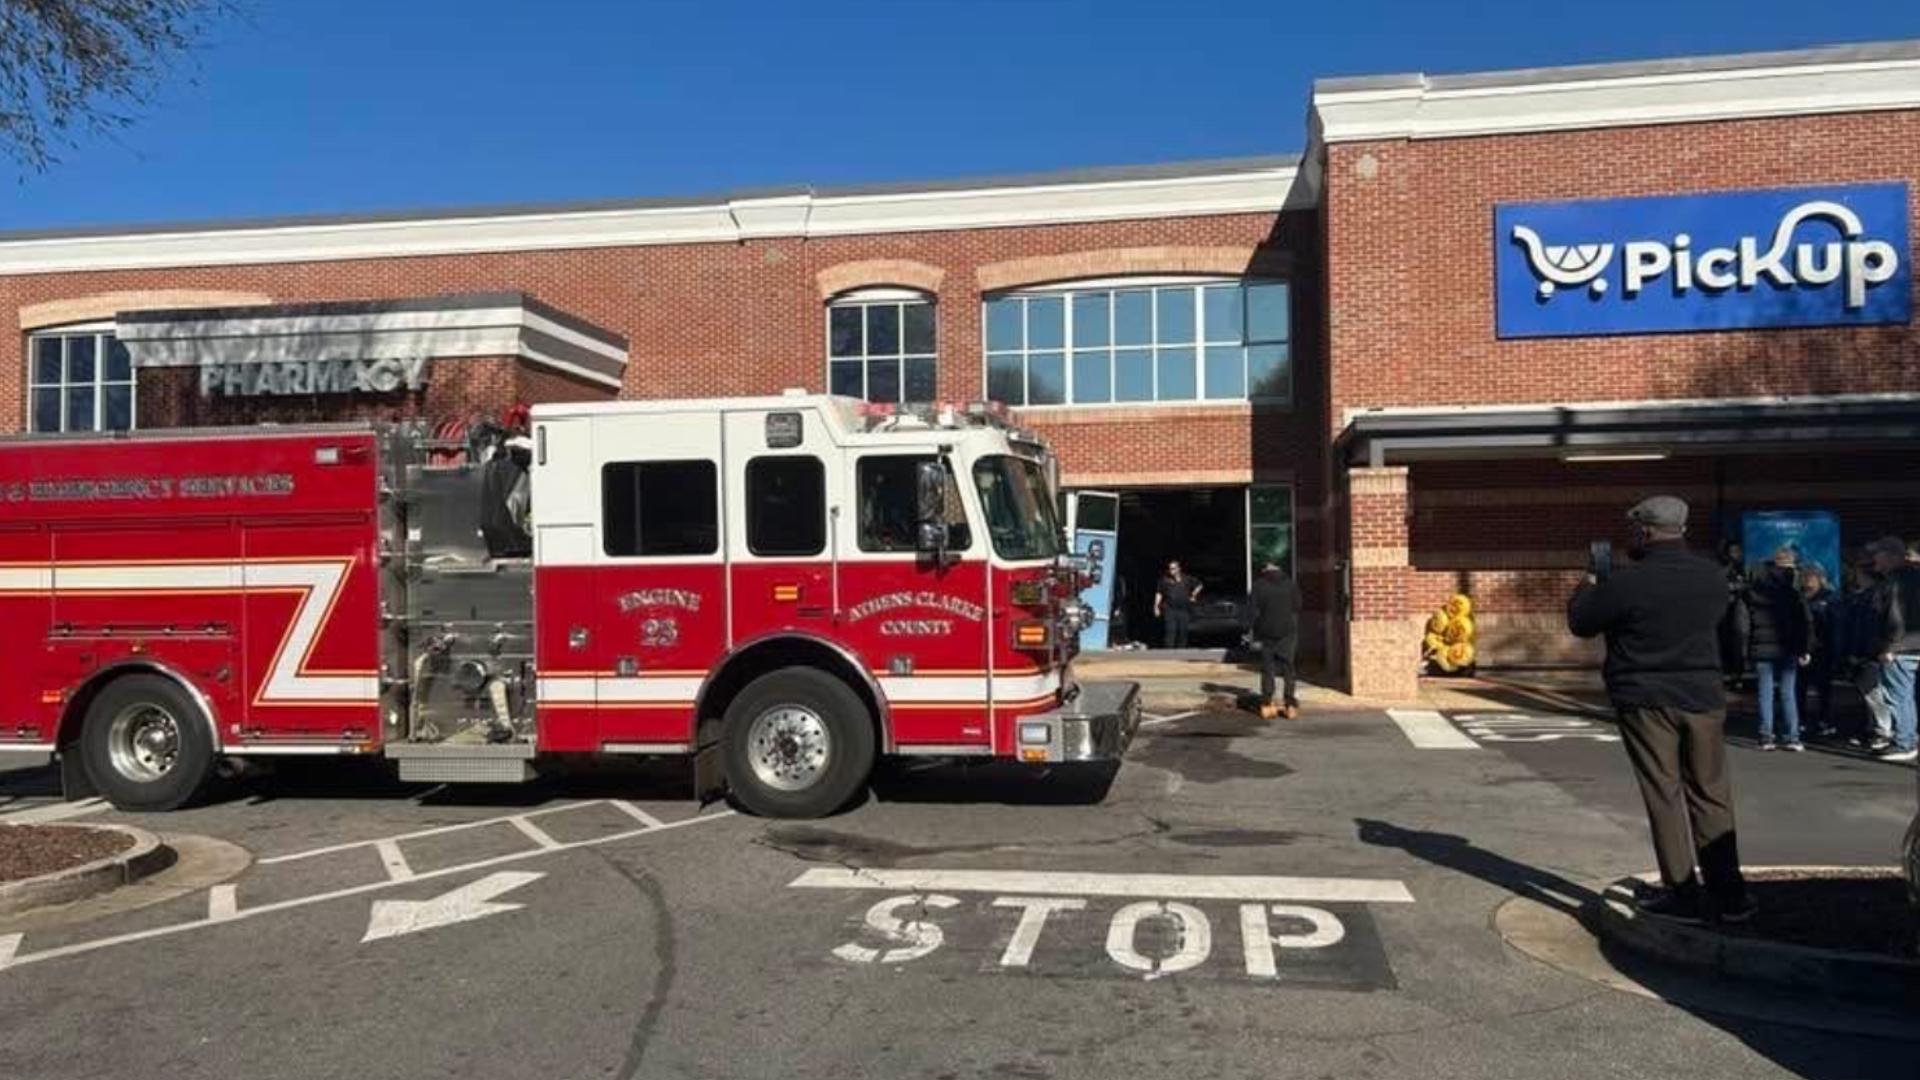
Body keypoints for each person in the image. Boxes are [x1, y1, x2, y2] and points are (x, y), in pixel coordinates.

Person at [1568, 495, 1755, 924]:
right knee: (1711, 794)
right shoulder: (1712, 577)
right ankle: (1730, 896)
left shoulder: (1628, 582)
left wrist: (1590, 580)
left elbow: (1581, 622)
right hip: (1703, 695)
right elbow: (1730, 631)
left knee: (1664, 794)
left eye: (1633, 530)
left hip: (1646, 698)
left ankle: (1682, 893)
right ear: (1682, 529)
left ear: (1644, 531)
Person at [1743, 548, 1810, 752]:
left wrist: (1745, 649)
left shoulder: (1753, 591)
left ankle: (1766, 736)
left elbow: (1742, 624)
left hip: (1761, 646)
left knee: (1765, 692)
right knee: (1788, 692)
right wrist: (1804, 649)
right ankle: (1792, 737)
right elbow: (1803, 623)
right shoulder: (1792, 593)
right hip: (1787, 646)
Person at [1865, 536, 1920, 762]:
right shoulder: (1915, 577)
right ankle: (1908, 738)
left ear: (1891, 556)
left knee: (1899, 696)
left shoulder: (1893, 582)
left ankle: (1905, 742)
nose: (1874, 559)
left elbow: (1893, 617)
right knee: (1907, 695)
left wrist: (1889, 646)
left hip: (1900, 647)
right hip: (1914, 643)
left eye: (1878, 554)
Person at [1245, 560, 1302, 719]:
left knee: (1268, 668)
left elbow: (1252, 611)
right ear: (1279, 568)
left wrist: (1251, 630)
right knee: (1288, 668)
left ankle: (1267, 703)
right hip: (1288, 631)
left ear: (1265, 569)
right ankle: (1290, 705)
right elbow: (1298, 605)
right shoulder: (1290, 584)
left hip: (1266, 631)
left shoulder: (1259, 585)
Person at [1797, 565, 1840, 739]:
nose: (1808, 580)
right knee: (1800, 686)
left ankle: (1825, 719)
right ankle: (1800, 719)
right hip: (1802, 648)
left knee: (1823, 687)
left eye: (1812, 577)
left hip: (1823, 648)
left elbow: (1834, 624)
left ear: (1820, 579)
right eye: (1805, 576)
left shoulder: (1828, 597)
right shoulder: (1798, 596)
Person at [1716, 540, 1750, 691]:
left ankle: (1737, 674)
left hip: (1738, 610)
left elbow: (1748, 586)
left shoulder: (1744, 568)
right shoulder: (1722, 567)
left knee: (1739, 642)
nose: (1735, 555)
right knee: (1724, 641)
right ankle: (1727, 672)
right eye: (1732, 552)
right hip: (1724, 610)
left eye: (1738, 551)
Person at [1154, 560, 1201, 649]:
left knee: (1183, 630)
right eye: (1170, 569)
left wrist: (1193, 595)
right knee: (1170, 630)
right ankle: (1169, 649)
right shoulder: (1164, 580)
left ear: (1179, 569)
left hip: (1183, 609)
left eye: (1173, 568)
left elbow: (1199, 585)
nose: (1171, 571)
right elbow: (1159, 593)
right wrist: (1156, 607)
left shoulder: (1187, 579)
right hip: (1170, 609)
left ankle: (1181, 650)